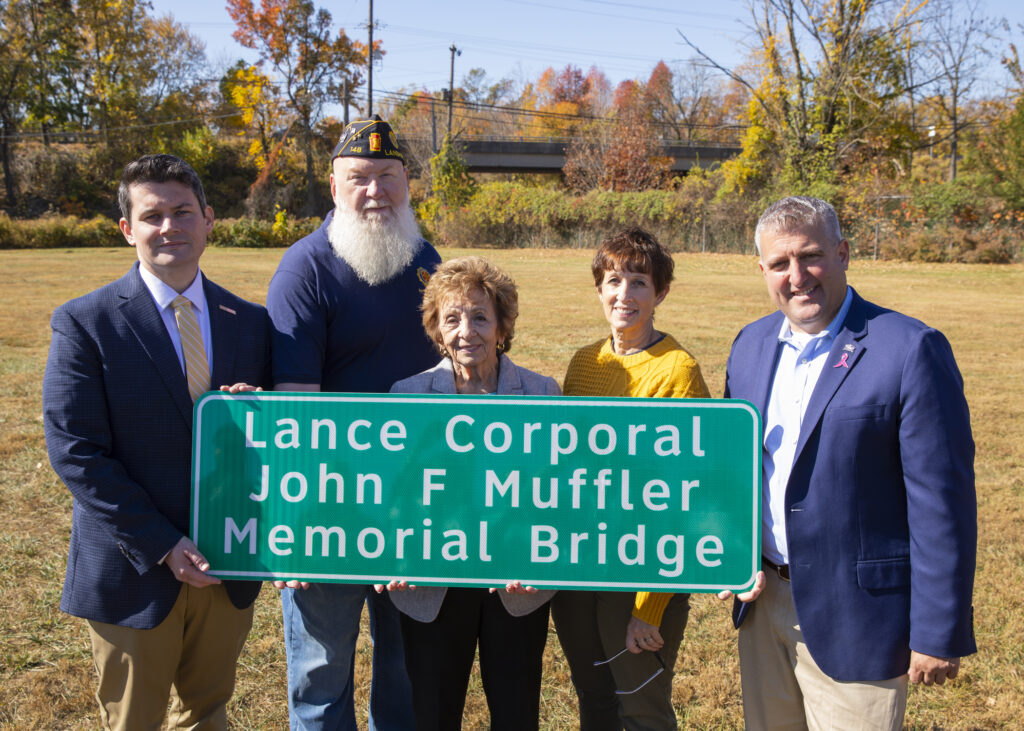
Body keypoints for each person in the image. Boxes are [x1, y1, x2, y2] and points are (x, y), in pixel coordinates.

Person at [720, 195, 976, 729]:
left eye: (810, 255)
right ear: (760, 270)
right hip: (764, 606)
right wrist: (726, 554)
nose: (797, 276)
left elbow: (941, 504)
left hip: (858, 617)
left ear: (843, 252)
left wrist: (937, 630)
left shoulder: (910, 349)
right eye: (779, 264)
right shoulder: (750, 345)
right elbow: (734, 474)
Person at [42, 154, 271, 730]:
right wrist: (164, 544)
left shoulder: (249, 321)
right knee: (135, 721)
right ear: (127, 228)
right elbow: (76, 450)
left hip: (228, 562)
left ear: (209, 219)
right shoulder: (85, 322)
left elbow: (278, 441)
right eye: (152, 215)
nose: (169, 227)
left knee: (207, 713)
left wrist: (265, 413)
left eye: (182, 212)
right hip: (135, 566)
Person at [265, 115, 440, 730]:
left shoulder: (423, 256)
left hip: (413, 502)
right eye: (358, 177)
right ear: (334, 187)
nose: (375, 191)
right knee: (320, 674)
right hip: (330, 508)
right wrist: (292, 525)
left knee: (405, 669)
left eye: (387, 176)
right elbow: (293, 413)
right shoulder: (304, 270)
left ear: (407, 184)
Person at [382, 256, 559, 730]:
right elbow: (391, 495)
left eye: (480, 317)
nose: (467, 331)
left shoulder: (544, 394)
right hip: (431, 586)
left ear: (502, 326)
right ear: (437, 330)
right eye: (452, 318)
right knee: (434, 715)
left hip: (516, 587)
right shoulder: (407, 395)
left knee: (517, 713)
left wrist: (538, 559)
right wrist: (392, 557)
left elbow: (560, 494)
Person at [551, 228, 710, 731]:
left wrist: (651, 604)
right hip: (579, 569)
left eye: (639, 282)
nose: (625, 295)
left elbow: (684, 495)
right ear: (599, 289)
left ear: (660, 293)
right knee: (593, 699)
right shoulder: (584, 364)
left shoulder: (677, 371)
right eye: (614, 281)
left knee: (640, 708)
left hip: (639, 571)